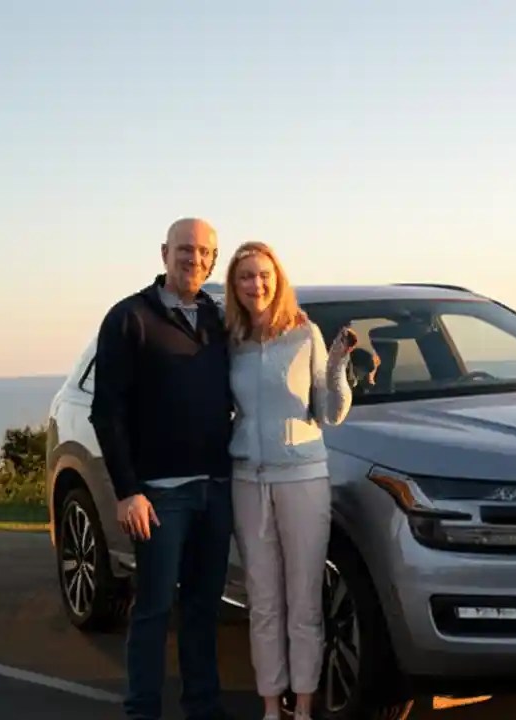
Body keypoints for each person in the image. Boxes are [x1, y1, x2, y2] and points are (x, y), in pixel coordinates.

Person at [89, 218, 235, 720]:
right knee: (152, 610)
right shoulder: (129, 318)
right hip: (159, 495)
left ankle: (203, 708)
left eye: (203, 252)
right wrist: (129, 491)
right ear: (163, 253)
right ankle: (141, 710)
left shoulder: (217, 319)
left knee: (202, 609)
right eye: (184, 250)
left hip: (217, 490)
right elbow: (105, 412)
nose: (194, 259)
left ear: (213, 260)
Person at [223, 241, 355, 720]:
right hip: (246, 479)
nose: (256, 284)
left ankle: (302, 706)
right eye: (245, 277)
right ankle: (269, 708)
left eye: (263, 275)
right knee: (262, 601)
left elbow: (329, 411)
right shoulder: (230, 341)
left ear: (277, 280)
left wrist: (340, 364)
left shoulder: (305, 335)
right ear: (234, 287)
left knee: (303, 601)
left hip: (302, 477)